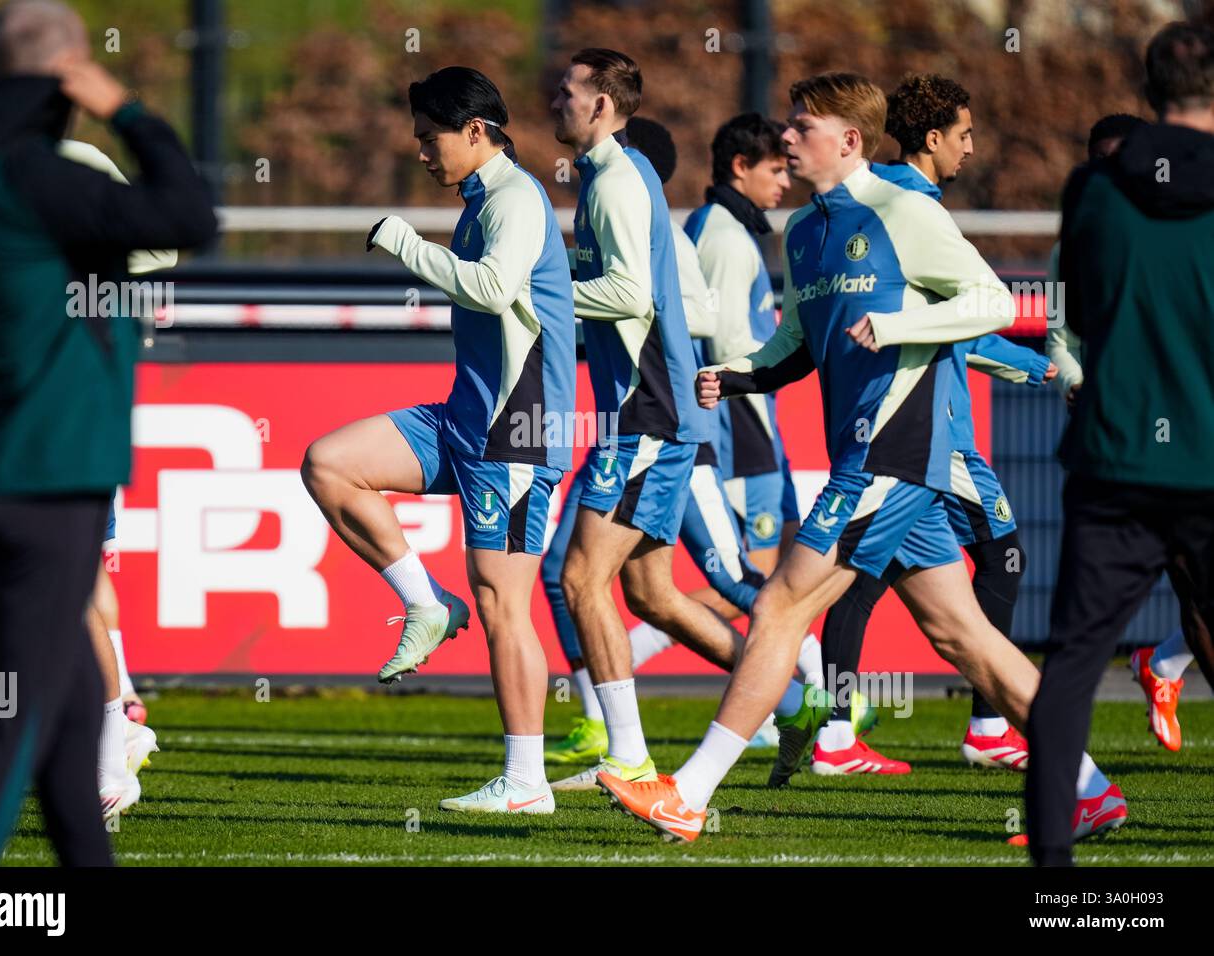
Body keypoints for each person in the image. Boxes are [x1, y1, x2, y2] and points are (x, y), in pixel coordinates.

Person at [597, 72, 1121, 844]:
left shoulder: (904, 210)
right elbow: (801, 340)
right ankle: (1088, 789)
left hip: (893, 454)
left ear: (848, 141)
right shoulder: (805, 232)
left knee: (780, 604)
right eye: (788, 124)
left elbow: (995, 301)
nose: (786, 136)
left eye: (802, 126)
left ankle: (689, 792)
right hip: (874, 458)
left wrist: (904, 319)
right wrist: (741, 373)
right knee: (965, 637)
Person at [0, 0, 215, 865]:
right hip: (47, 475)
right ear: (61, 76)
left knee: (79, 706)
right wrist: (126, 111)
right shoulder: (33, 175)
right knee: (18, 722)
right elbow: (189, 218)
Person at [302, 66, 575, 813]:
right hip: (466, 420)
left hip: (514, 432)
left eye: (431, 138)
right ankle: (426, 606)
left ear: (477, 132)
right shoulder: (482, 199)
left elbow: (492, 286)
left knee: (502, 604)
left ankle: (526, 782)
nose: (423, 152)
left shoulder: (516, 197)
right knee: (330, 463)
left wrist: (401, 242)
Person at [784, 74, 1058, 784]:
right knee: (995, 558)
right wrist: (1038, 368)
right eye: (965, 135)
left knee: (881, 591)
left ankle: (1050, 761)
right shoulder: (898, 208)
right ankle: (986, 729)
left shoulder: (890, 204)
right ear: (933, 139)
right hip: (925, 435)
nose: (973, 149)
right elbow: (972, 322)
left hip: (906, 436)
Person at [1025, 20, 1214, 866]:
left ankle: (1055, 872)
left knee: (1070, 664)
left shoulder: (1094, 189)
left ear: (1148, 90)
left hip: (1115, 455)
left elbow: (1082, 306)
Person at [546, 49, 751, 793]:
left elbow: (631, 294)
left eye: (568, 91)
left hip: (645, 414)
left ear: (603, 105)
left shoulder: (617, 179)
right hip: (649, 409)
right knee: (649, 596)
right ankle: (793, 698)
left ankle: (628, 760)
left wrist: (544, 294)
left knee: (577, 581)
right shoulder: (611, 174)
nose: (555, 100)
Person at [1042, 112, 1193, 753]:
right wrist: (1077, 384)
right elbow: (1059, 336)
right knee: (1088, 625)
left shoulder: (1181, 221)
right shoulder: (1077, 234)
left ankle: (1163, 665)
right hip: (1118, 444)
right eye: (1097, 158)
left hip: (1185, 430)